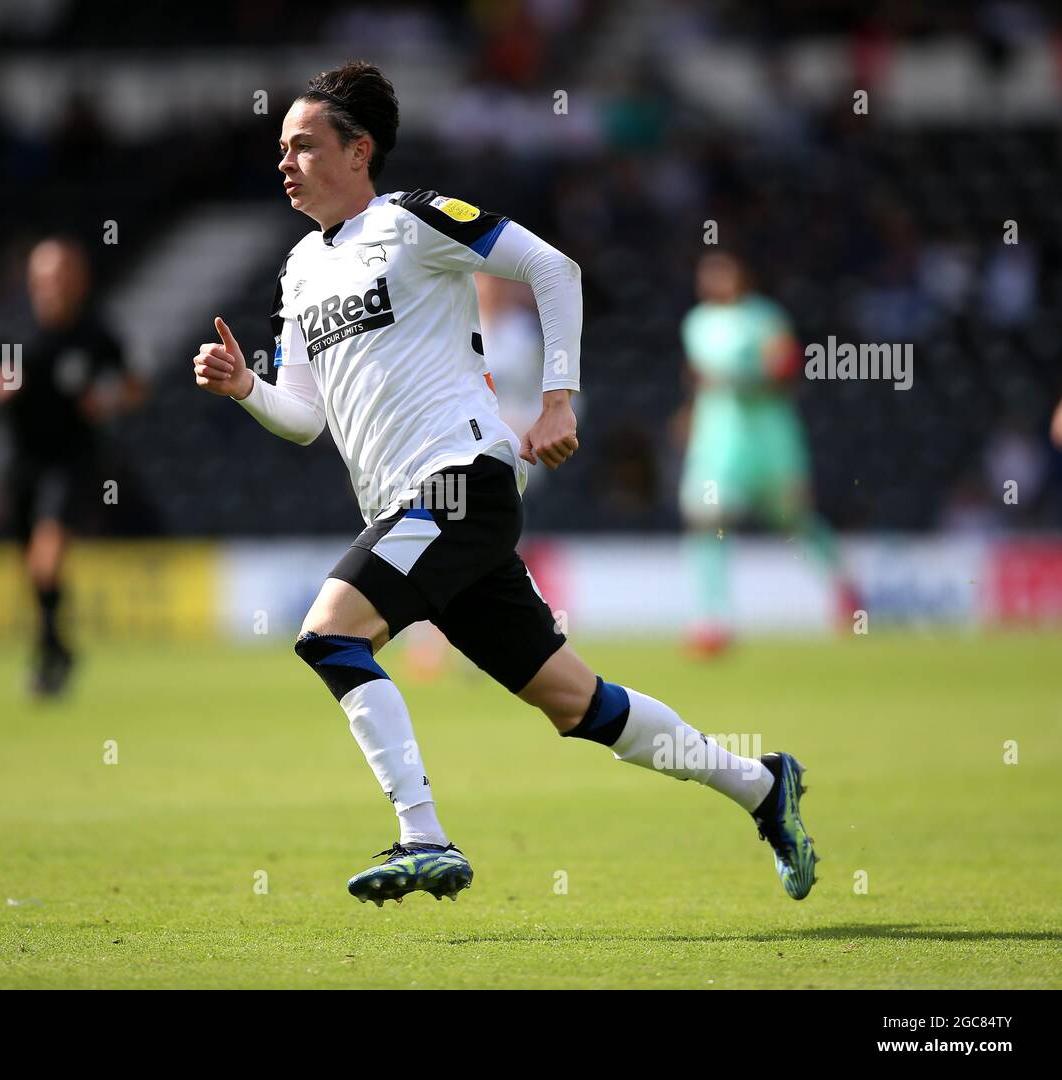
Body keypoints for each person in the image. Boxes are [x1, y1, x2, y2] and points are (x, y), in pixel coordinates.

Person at [194, 62, 817, 904]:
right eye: (281, 148)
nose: (286, 161)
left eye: (304, 145)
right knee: (578, 704)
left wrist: (558, 399)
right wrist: (247, 392)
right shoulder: (299, 271)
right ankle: (762, 785)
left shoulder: (412, 221)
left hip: (459, 483)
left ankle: (422, 836)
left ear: (358, 150)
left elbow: (554, 269)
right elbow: (304, 417)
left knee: (328, 635)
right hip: (415, 507)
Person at [0, 237, 145, 696]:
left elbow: (134, 385)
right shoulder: (10, 326)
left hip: (74, 461)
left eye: (64, 275)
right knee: (34, 568)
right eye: (47, 277)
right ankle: (56, 647)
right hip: (21, 463)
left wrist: (106, 399)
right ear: (32, 281)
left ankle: (49, 658)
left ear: (79, 280)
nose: (56, 285)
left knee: (47, 559)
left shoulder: (95, 331)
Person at [677, 252, 858, 655]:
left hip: (771, 442)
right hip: (719, 442)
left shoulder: (764, 316)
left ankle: (844, 588)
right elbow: (699, 377)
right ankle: (713, 620)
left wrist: (756, 374)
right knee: (707, 518)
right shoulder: (698, 323)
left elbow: (784, 367)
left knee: (796, 520)